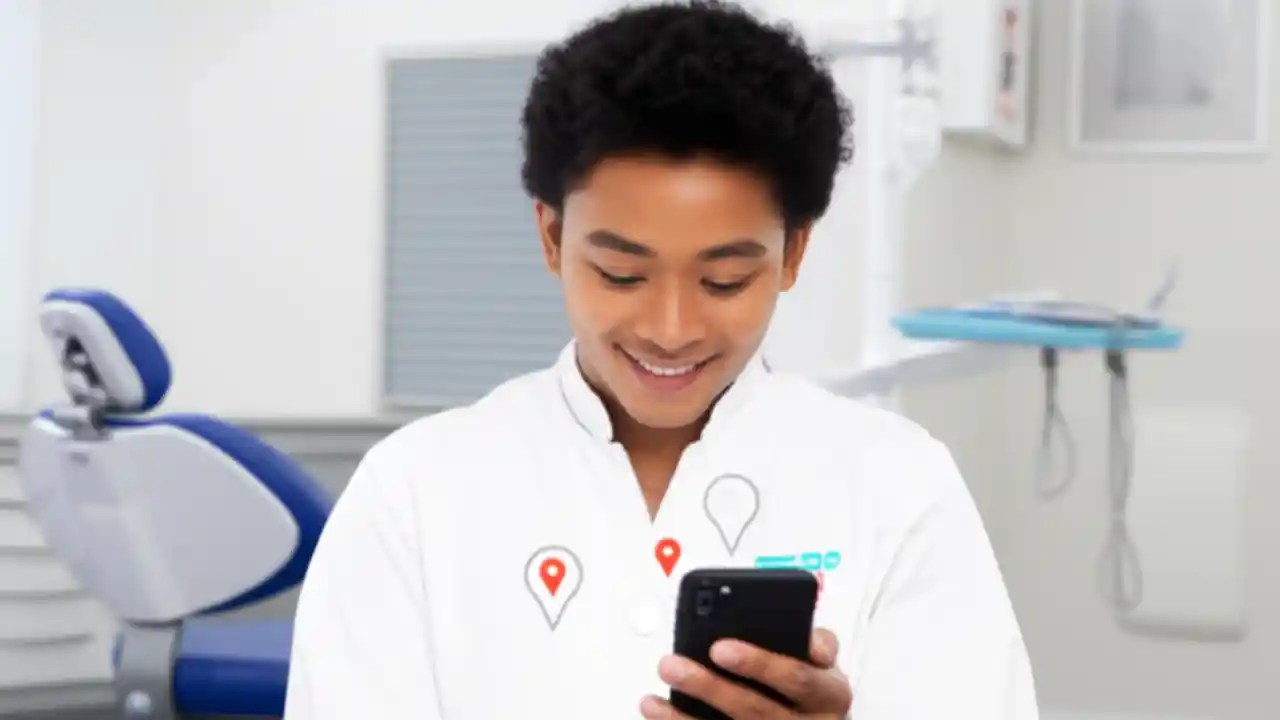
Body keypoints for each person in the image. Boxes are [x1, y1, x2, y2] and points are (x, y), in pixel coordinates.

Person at [283, 2, 1038, 718]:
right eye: (622, 274)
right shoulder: (414, 491)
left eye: (724, 280)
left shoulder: (898, 484)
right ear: (552, 237)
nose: (670, 330)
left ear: (792, 252)